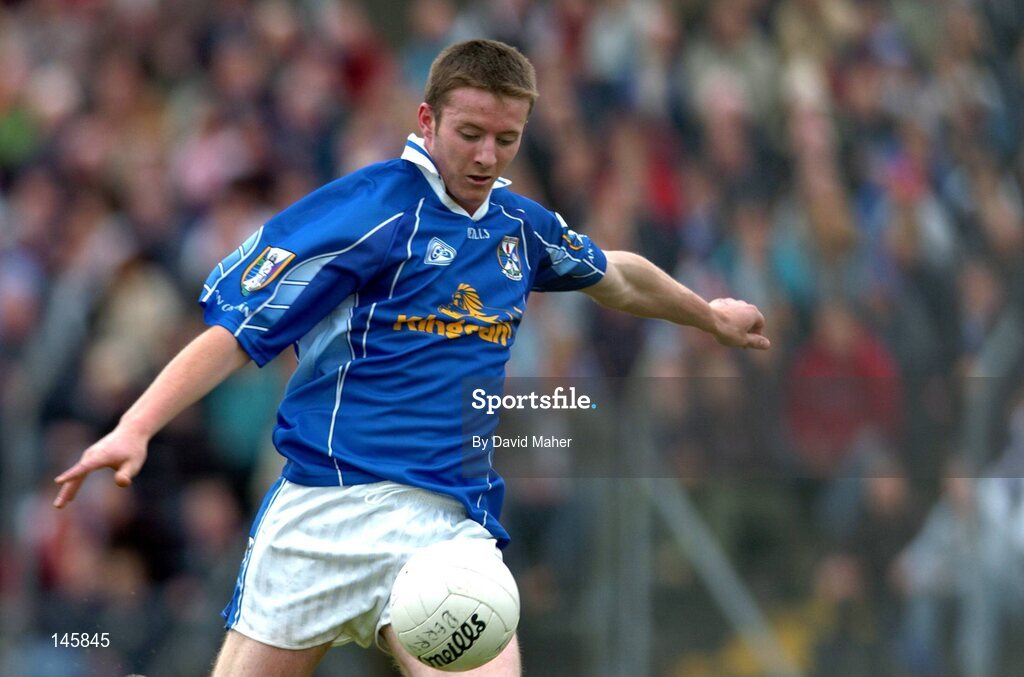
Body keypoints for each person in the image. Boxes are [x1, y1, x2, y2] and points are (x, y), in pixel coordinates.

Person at [53, 39, 770, 677]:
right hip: (324, 509)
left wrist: (706, 315)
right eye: (470, 133)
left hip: (444, 528)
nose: (487, 155)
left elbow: (616, 276)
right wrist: (136, 424)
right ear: (426, 122)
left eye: (506, 138)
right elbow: (238, 334)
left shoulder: (520, 227)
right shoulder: (371, 209)